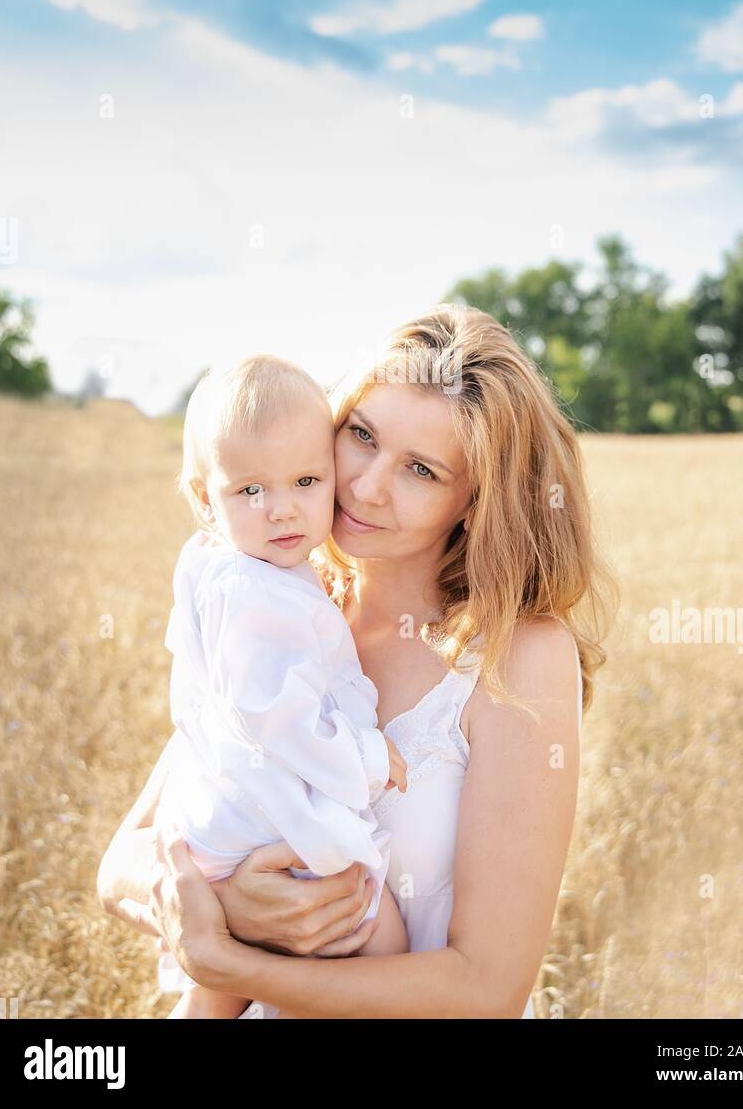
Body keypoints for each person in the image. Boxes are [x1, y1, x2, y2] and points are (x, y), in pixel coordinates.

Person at [98, 303, 617, 1018]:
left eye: (421, 470)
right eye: (361, 436)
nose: (368, 484)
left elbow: (486, 990)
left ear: (475, 501)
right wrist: (225, 905)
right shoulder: (277, 600)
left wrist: (228, 957)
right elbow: (120, 862)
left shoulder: (516, 657)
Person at [152, 354, 409, 1018]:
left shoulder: (224, 566)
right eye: (250, 491)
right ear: (203, 499)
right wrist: (371, 760)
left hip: (223, 821)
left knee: (226, 985)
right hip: (260, 822)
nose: (282, 510)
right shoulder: (255, 594)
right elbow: (280, 721)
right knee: (377, 935)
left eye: (304, 480)